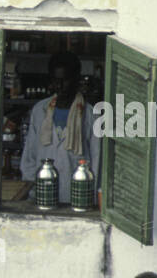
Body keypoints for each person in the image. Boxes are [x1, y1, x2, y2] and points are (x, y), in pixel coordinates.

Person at [19, 50, 100, 204]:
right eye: (56, 80)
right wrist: (30, 190)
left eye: (65, 80)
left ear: (77, 80)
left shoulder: (90, 114)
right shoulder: (39, 110)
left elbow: (96, 159)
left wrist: (93, 199)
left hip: (77, 197)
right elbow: (29, 156)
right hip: (42, 195)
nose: (60, 86)